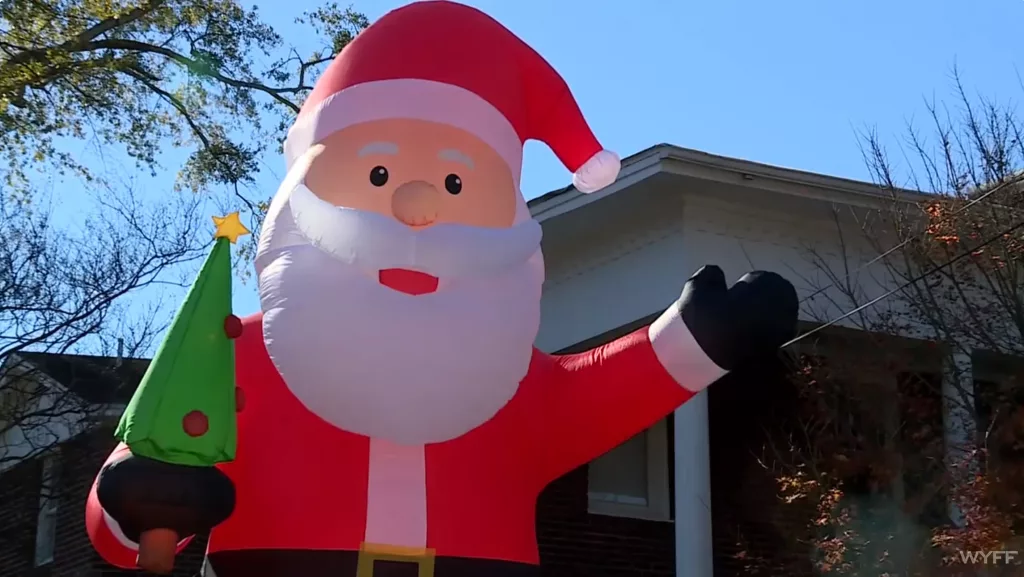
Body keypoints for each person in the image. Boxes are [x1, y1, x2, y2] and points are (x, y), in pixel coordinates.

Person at [86, 2, 799, 576]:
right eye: (378, 174)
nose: (419, 206)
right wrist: (131, 498)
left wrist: (702, 339)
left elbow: (598, 392)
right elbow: (123, 524)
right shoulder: (235, 363)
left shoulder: (513, 388)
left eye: (458, 183)